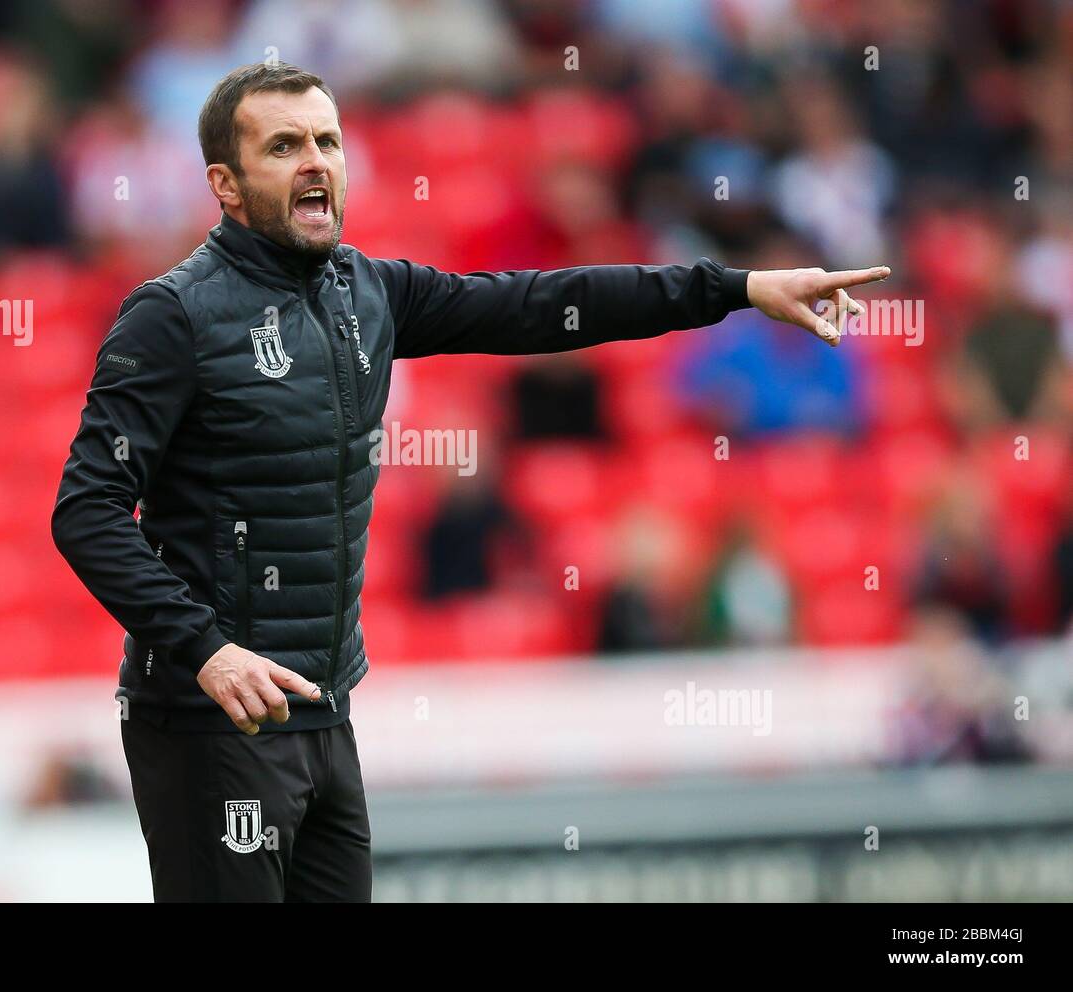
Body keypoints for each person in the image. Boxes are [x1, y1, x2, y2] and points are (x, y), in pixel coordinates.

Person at [50, 60, 891, 903]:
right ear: (225, 186)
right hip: (210, 719)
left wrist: (739, 288)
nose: (316, 160)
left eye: (327, 141)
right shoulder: (173, 316)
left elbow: (546, 303)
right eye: (284, 145)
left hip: (323, 710)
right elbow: (85, 512)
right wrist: (206, 651)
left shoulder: (368, 293)